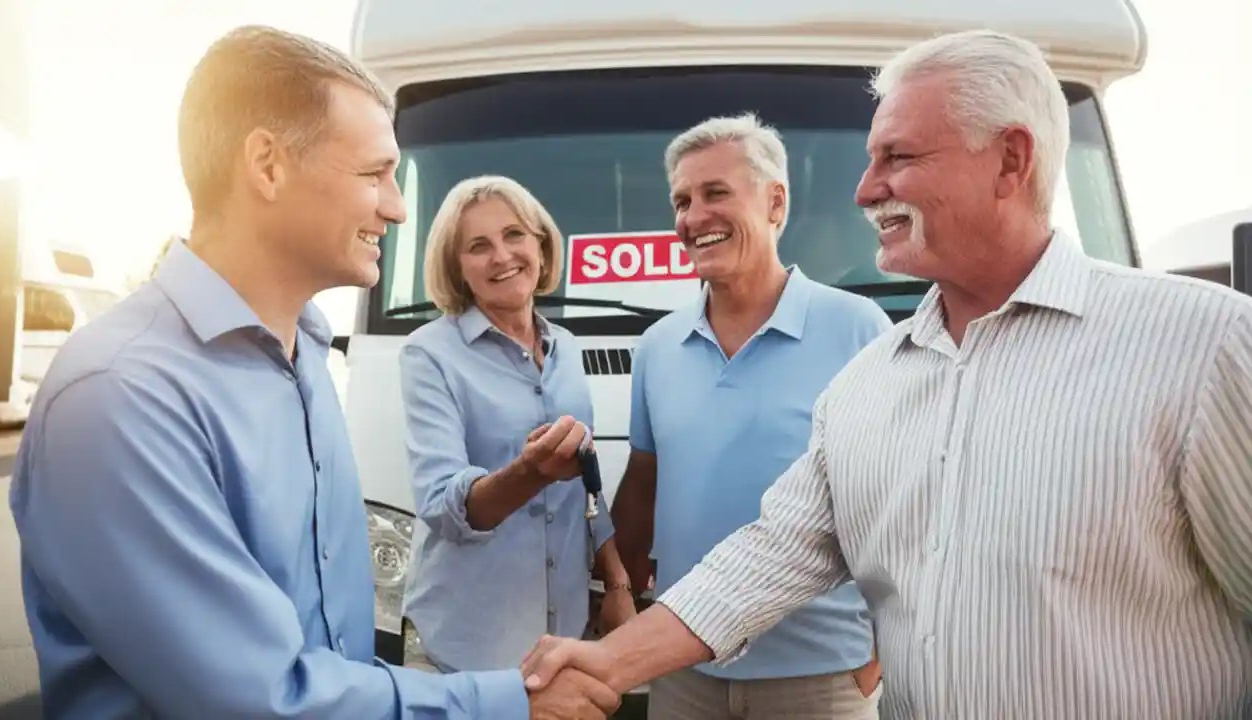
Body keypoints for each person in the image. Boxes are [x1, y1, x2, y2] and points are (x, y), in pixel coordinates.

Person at [519, 28, 1252, 719]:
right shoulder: (867, 384)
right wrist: (610, 661)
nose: (865, 190)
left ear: (1010, 160)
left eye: (898, 158)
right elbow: (765, 559)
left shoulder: (1202, 346)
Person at [8, 26, 617, 720]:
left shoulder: (305, 360)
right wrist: (506, 703)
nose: (397, 206)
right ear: (267, 165)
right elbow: (260, 699)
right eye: (374, 174)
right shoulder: (120, 395)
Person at [609, 114, 890, 719]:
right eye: (682, 201)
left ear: (775, 202)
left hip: (822, 675)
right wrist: (617, 597)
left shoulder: (859, 328)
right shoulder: (657, 346)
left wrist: (881, 652)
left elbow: (905, 498)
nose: (693, 217)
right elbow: (643, 488)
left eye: (716, 193)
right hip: (684, 674)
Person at [397, 175, 638, 674]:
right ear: (457, 267)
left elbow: (585, 488)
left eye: (514, 235)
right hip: (467, 651)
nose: (501, 256)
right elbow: (443, 505)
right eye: (478, 246)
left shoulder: (567, 348)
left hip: (564, 641)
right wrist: (532, 472)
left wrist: (616, 584)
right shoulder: (428, 354)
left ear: (543, 248)